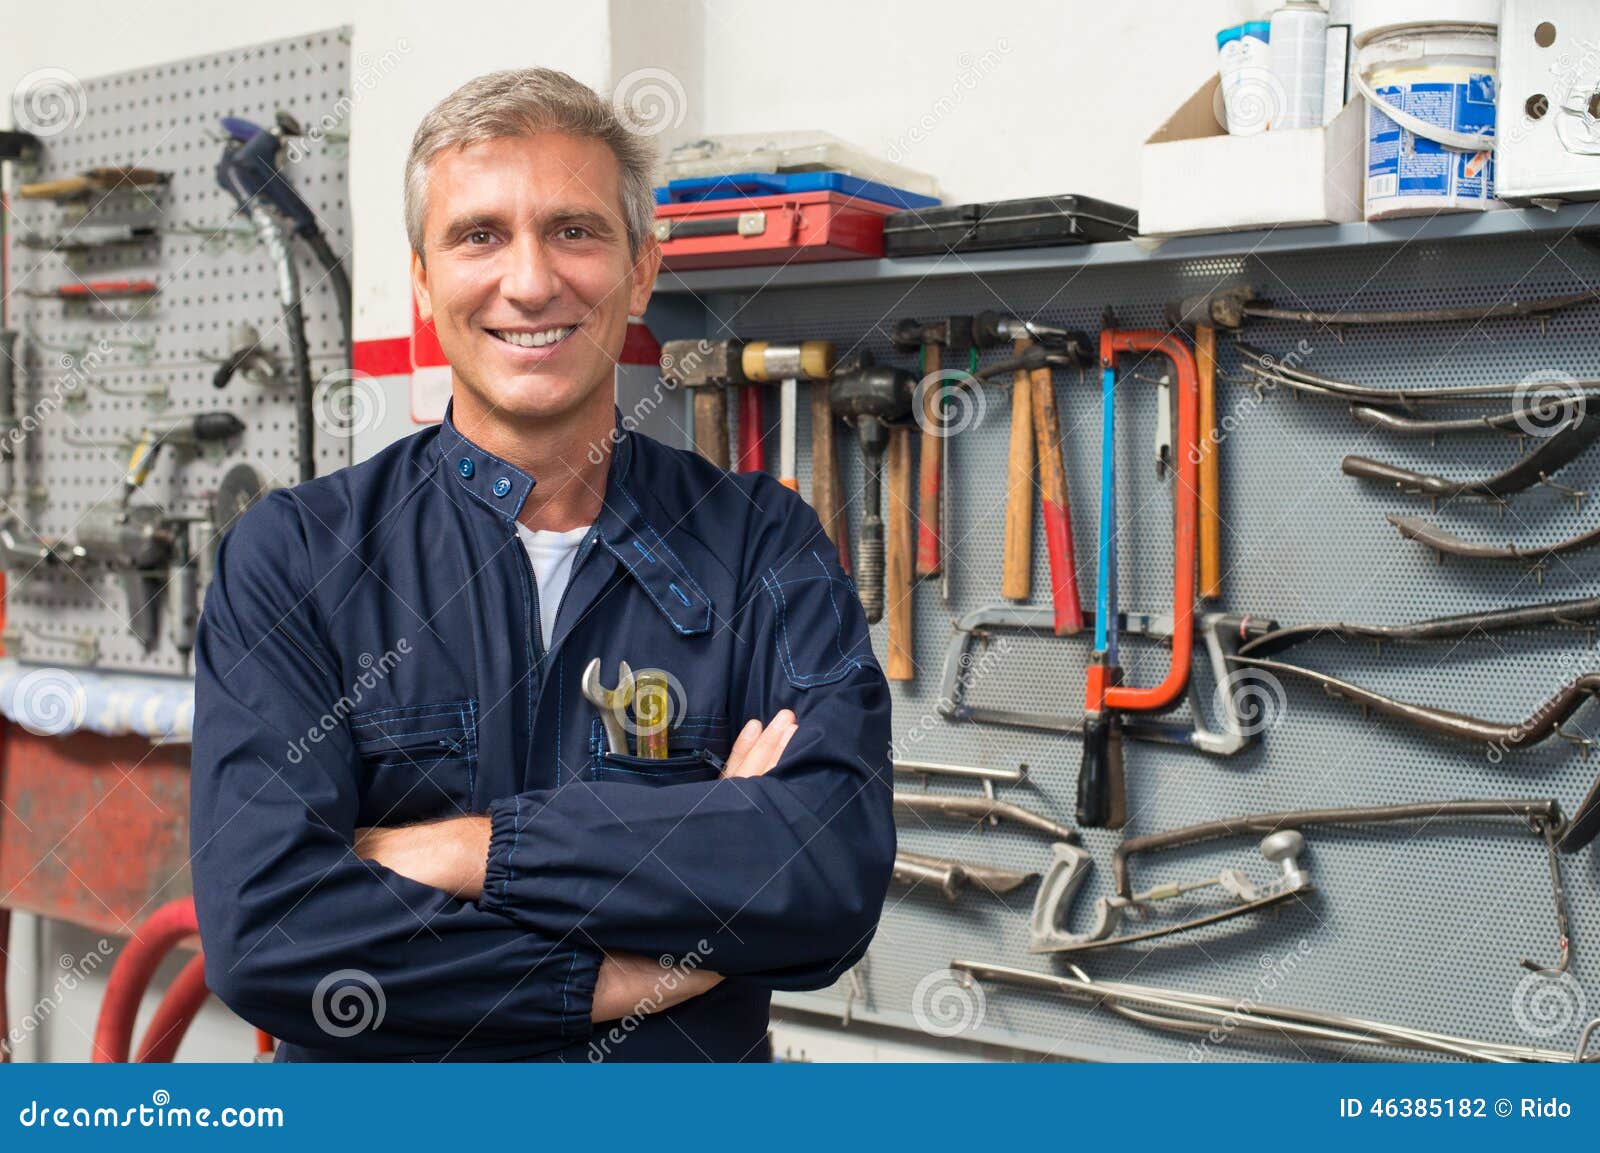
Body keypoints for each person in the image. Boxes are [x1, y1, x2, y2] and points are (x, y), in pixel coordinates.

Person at [189, 67, 895, 1062]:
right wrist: (623, 974)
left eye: (574, 230)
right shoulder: (295, 557)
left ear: (641, 270)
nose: (529, 282)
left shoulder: (760, 546)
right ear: (424, 283)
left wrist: (461, 851)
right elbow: (269, 932)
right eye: (480, 235)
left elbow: (825, 882)